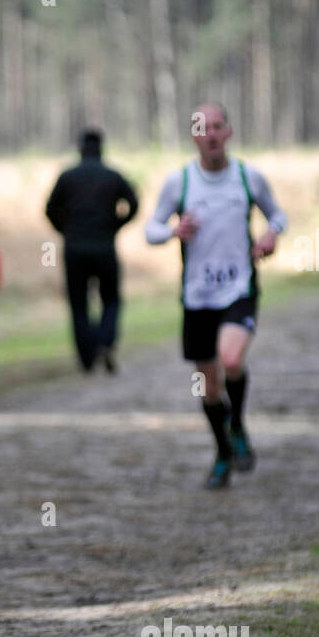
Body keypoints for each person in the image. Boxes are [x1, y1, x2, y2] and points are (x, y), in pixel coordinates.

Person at [145, 102, 286, 489]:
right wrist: (173, 231)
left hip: (239, 287)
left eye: (218, 126)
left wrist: (271, 235)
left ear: (229, 132)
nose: (211, 135)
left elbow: (278, 216)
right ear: (193, 137)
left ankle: (237, 423)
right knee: (208, 386)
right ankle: (224, 451)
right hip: (197, 295)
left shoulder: (247, 177)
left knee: (230, 357)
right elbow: (150, 229)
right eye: (202, 128)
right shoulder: (181, 183)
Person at [45, 128, 139, 372]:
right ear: (101, 148)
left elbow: (50, 208)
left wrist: (66, 230)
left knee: (78, 303)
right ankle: (105, 342)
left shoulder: (67, 176)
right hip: (104, 247)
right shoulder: (113, 176)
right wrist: (115, 226)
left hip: (74, 249)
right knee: (111, 299)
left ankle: (87, 358)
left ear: (80, 148)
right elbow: (134, 203)